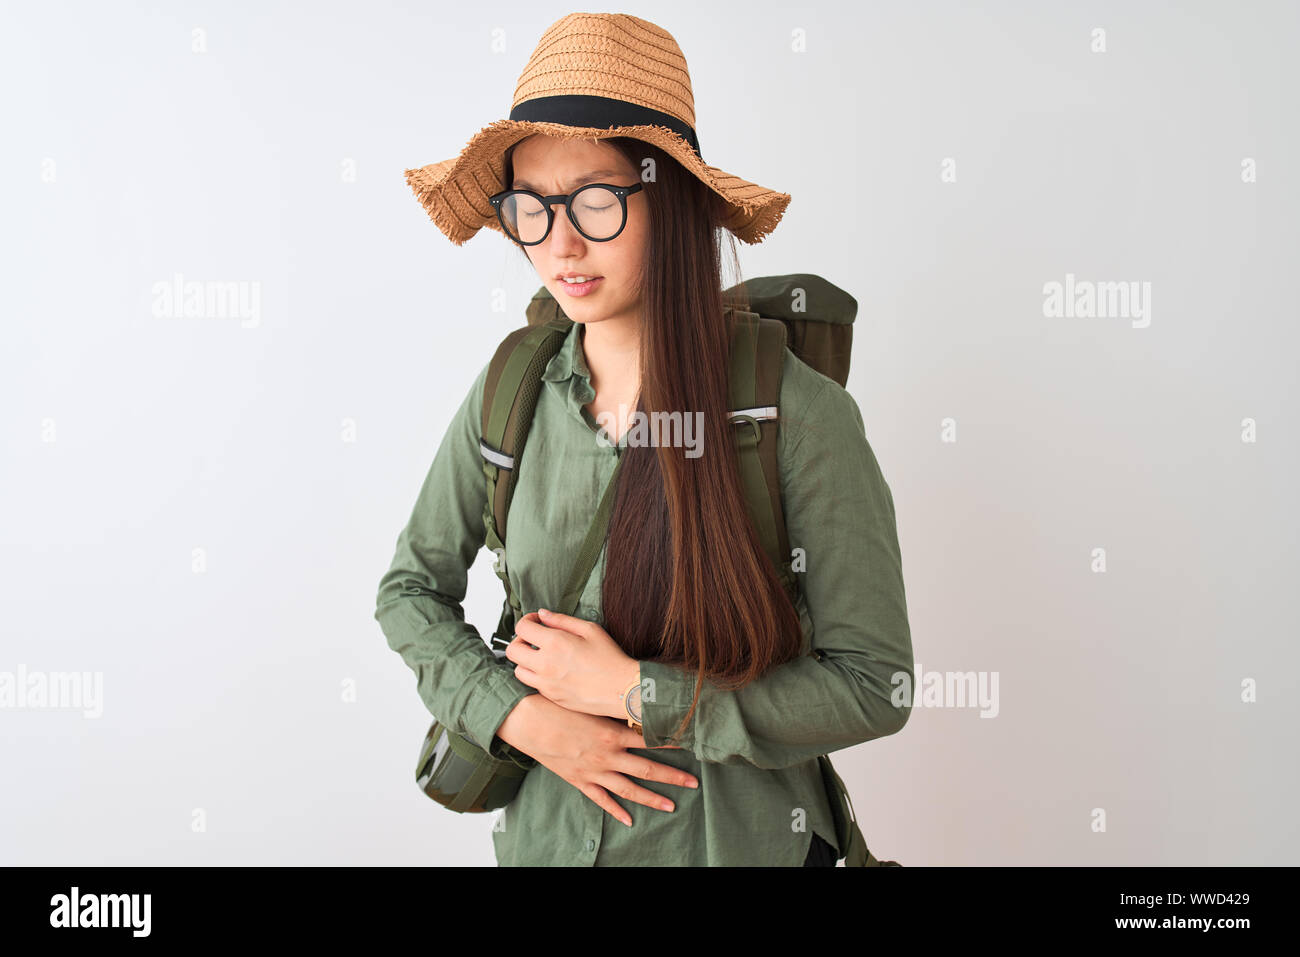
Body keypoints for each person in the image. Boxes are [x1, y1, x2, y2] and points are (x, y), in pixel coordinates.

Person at [375, 12, 913, 867]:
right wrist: (521, 718)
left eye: (596, 199)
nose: (563, 242)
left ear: (671, 200)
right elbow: (409, 590)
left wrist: (637, 692)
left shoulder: (795, 415)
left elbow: (874, 686)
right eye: (532, 209)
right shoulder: (512, 391)